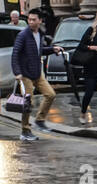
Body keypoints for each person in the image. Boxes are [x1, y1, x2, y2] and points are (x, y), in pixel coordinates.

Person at [10, 9, 63, 142]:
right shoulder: (23, 35)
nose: (31, 22)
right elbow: (15, 54)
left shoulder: (40, 34)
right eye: (29, 19)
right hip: (25, 74)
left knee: (50, 94)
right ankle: (25, 130)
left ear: (40, 21)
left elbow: (39, 51)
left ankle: (39, 120)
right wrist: (17, 73)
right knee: (28, 102)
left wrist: (52, 49)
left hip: (37, 73)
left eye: (34, 19)